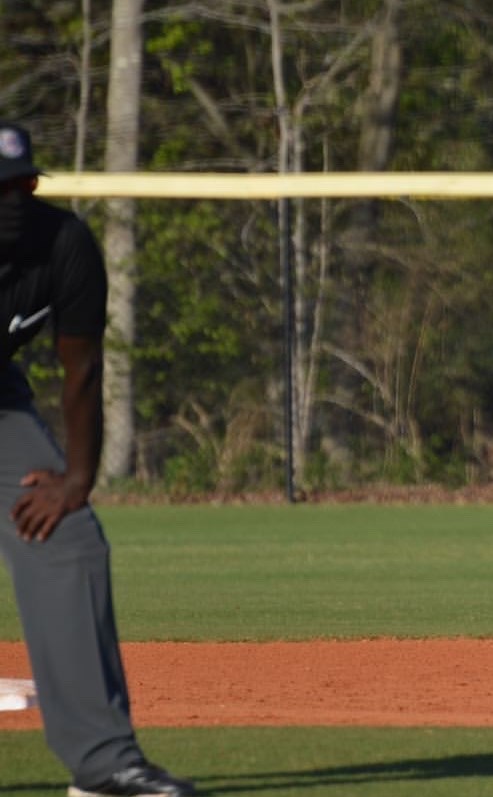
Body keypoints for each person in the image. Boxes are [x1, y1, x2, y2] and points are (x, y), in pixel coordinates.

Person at [0, 121, 196, 796]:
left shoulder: (63, 244)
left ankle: (103, 761)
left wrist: (77, 480)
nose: (14, 199)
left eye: (23, 183)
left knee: (70, 537)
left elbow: (80, 367)